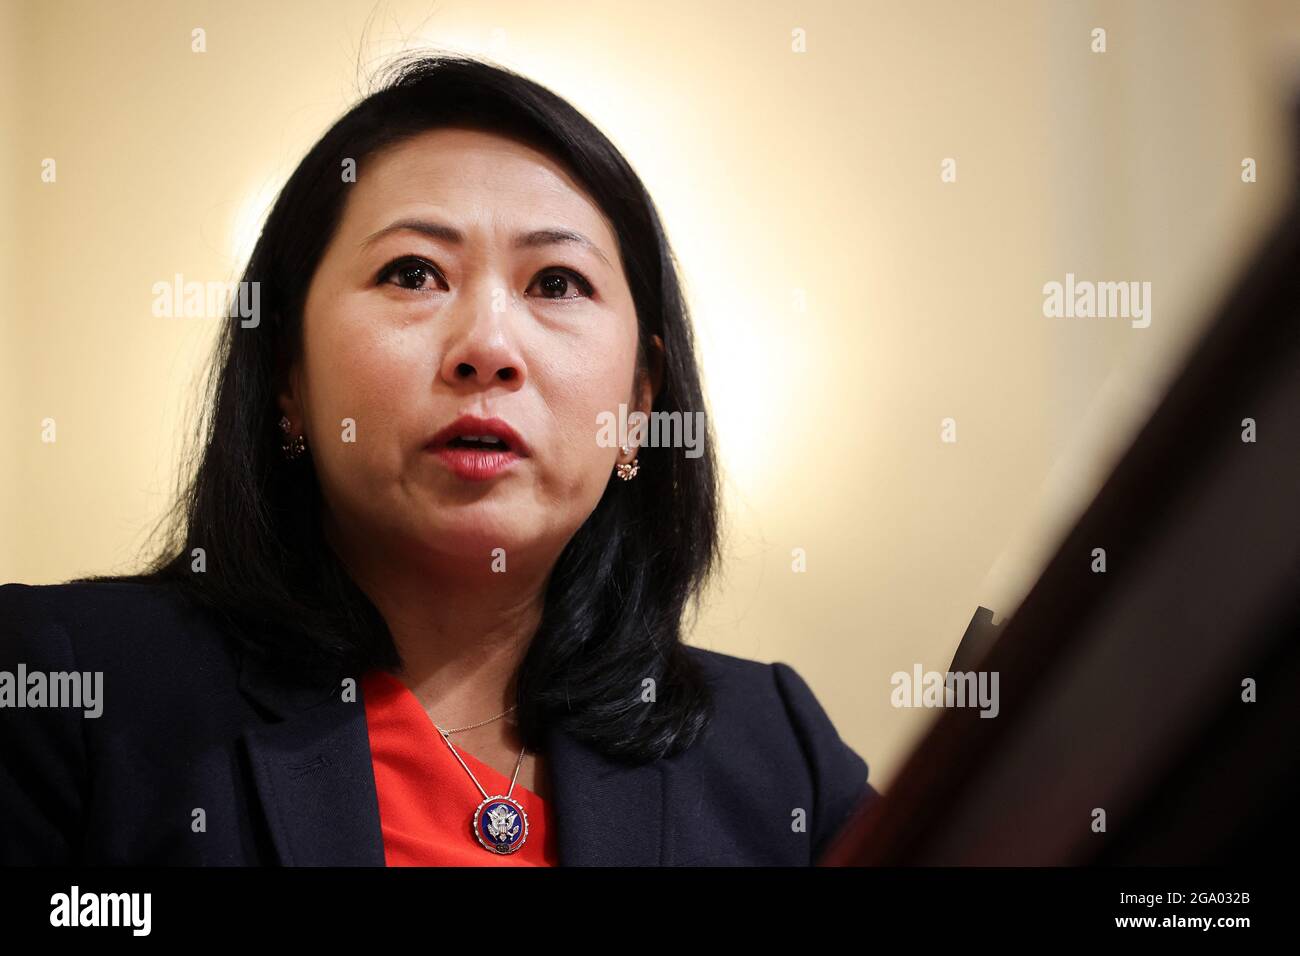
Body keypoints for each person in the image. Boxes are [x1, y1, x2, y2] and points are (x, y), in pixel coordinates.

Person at [0, 52, 878, 866]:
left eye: (557, 284)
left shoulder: (777, 751)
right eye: (413, 273)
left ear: (641, 406)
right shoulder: (65, 688)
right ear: (287, 378)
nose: (488, 346)